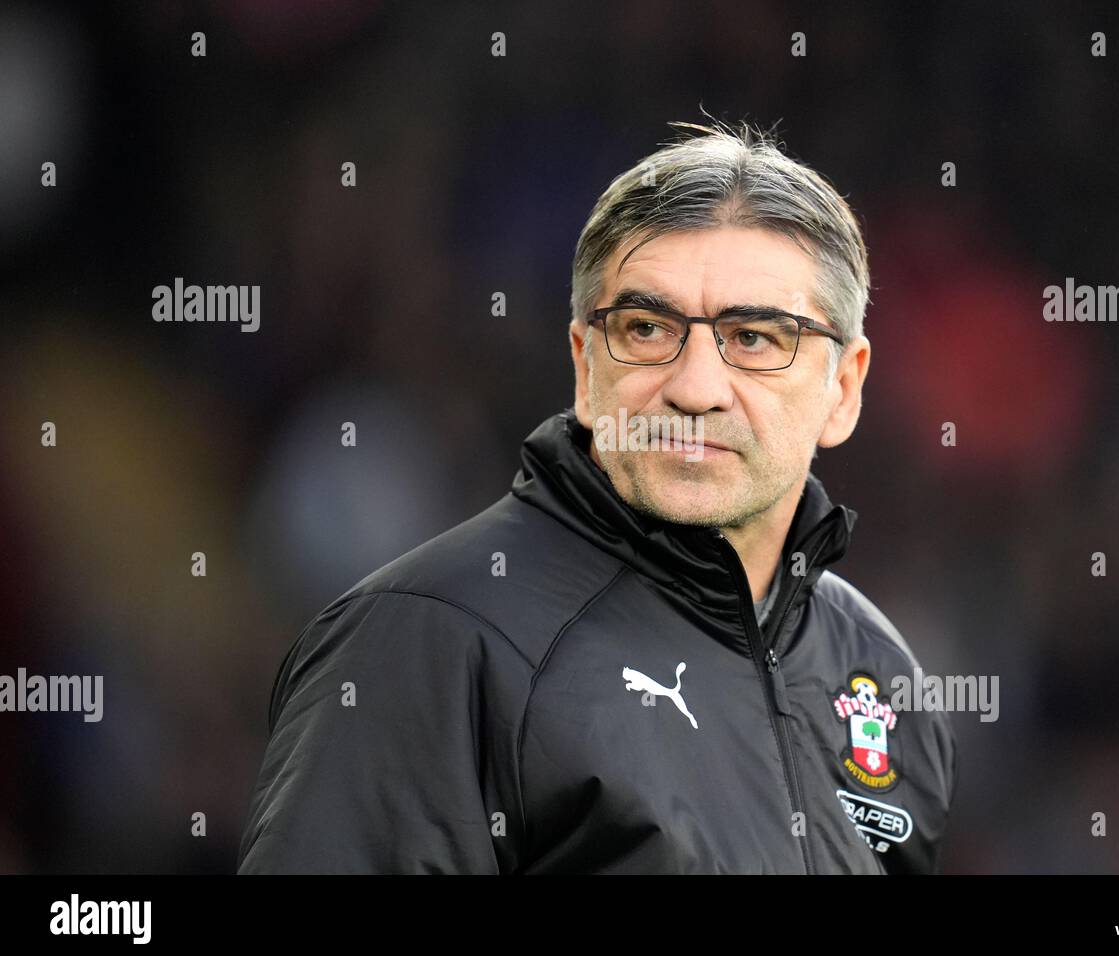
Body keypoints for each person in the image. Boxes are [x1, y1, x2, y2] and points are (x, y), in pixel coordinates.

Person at [237, 118, 957, 874]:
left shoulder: (876, 671)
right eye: (647, 328)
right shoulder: (427, 643)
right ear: (585, 366)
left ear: (843, 390)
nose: (696, 387)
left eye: (754, 339)